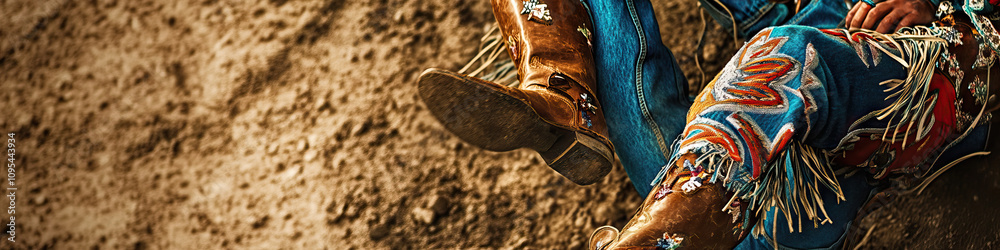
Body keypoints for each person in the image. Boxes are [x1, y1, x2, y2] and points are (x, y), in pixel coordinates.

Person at [417, 0, 998, 248]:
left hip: (789, 202)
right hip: (697, 201)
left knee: (784, 62)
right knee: (779, 59)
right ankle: (560, 95)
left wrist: (944, 5)